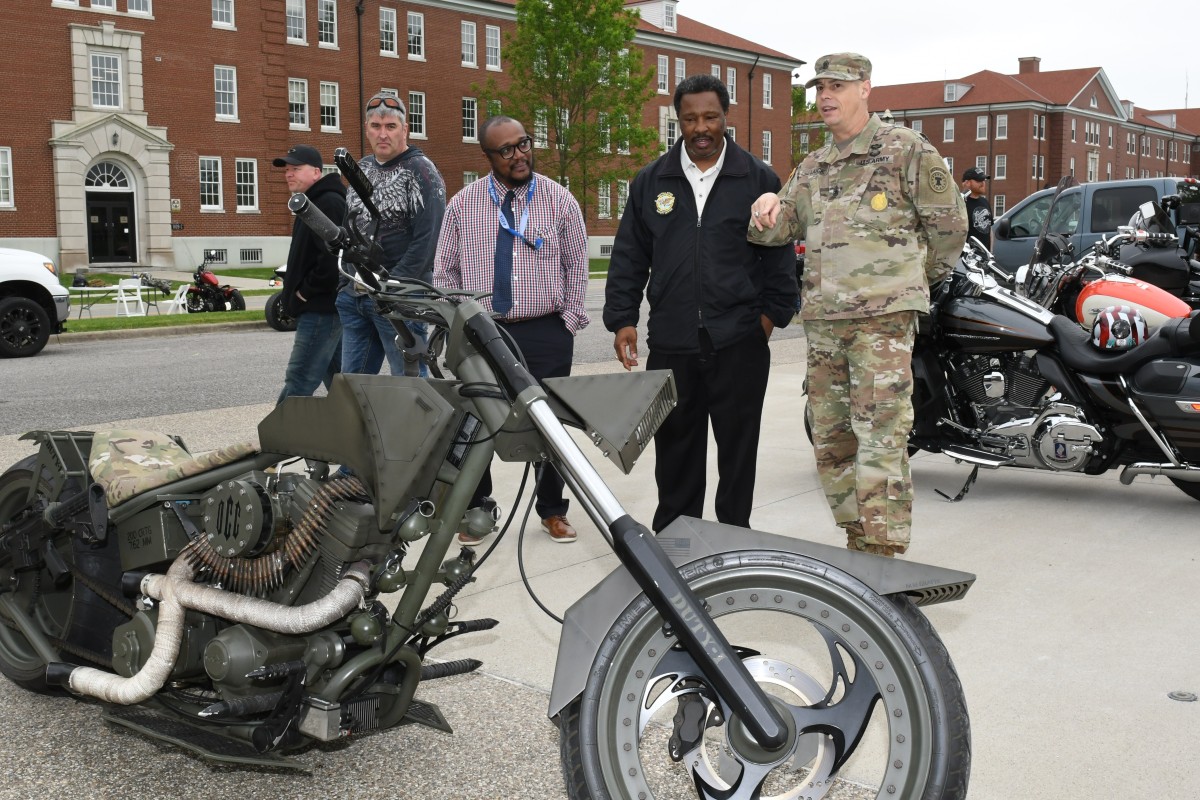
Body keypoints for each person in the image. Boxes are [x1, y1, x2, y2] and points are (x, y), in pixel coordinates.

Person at [749, 53, 967, 557]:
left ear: (866, 89)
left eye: (838, 87)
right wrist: (762, 206)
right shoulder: (814, 166)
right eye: (820, 87)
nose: (825, 96)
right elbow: (776, 231)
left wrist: (908, 287)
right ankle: (857, 539)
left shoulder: (904, 150)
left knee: (882, 439)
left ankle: (885, 556)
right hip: (825, 326)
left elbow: (950, 228)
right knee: (833, 443)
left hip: (881, 325)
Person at [604, 74, 796, 534]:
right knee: (676, 452)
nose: (700, 127)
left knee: (738, 450)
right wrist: (622, 320)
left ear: (725, 117)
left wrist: (768, 320)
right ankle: (677, 542)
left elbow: (780, 259)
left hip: (740, 342)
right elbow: (630, 255)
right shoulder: (651, 181)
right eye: (690, 119)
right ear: (679, 122)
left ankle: (733, 537)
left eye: (710, 116)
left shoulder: (758, 178)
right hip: (673, 342)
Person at [434, 116, 590, 544]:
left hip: (546, 330)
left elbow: (578, 265)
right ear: (487, 157)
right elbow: (444, 270)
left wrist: (568, 321)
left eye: (523, 144)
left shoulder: (560, 201)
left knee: (550, 423)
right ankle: (477, 507)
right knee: (474, 421)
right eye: (506, 150)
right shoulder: (463, 205)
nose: (519, 155)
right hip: (483, 332)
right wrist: (457, 323)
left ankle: (553, 510)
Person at [337, 93, 446, 377]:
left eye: (390, 126)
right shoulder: (361, 168)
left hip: (401, 299)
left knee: (412, 390)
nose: (382, 134)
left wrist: (392, 288)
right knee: (354, 388)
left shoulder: (422, 171)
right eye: (375, 126)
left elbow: (427, 242)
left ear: (405, 129)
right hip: (356, 297)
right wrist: (343, 284)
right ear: (366, 128)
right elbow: (348, 228)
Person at [272, 144, 346, 404]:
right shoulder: (311, 202)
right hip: (323, 309)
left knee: (299, 381)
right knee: (341, 384)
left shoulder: (327, 202)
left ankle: (279, 440)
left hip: (321, 309)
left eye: (296, 168)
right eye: (287, 170)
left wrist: (304, 293)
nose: (289, 174)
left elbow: (333, 260)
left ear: (316, 172)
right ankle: (356, 438)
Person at [961, 167, 993, 248]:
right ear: (967, 183)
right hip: (966, 258)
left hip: (985, 257)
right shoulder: (960, 203)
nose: (983, 183)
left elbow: (990, 231)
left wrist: (990, 254)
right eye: (979, 180)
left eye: (984, 180)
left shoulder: (985, 202)